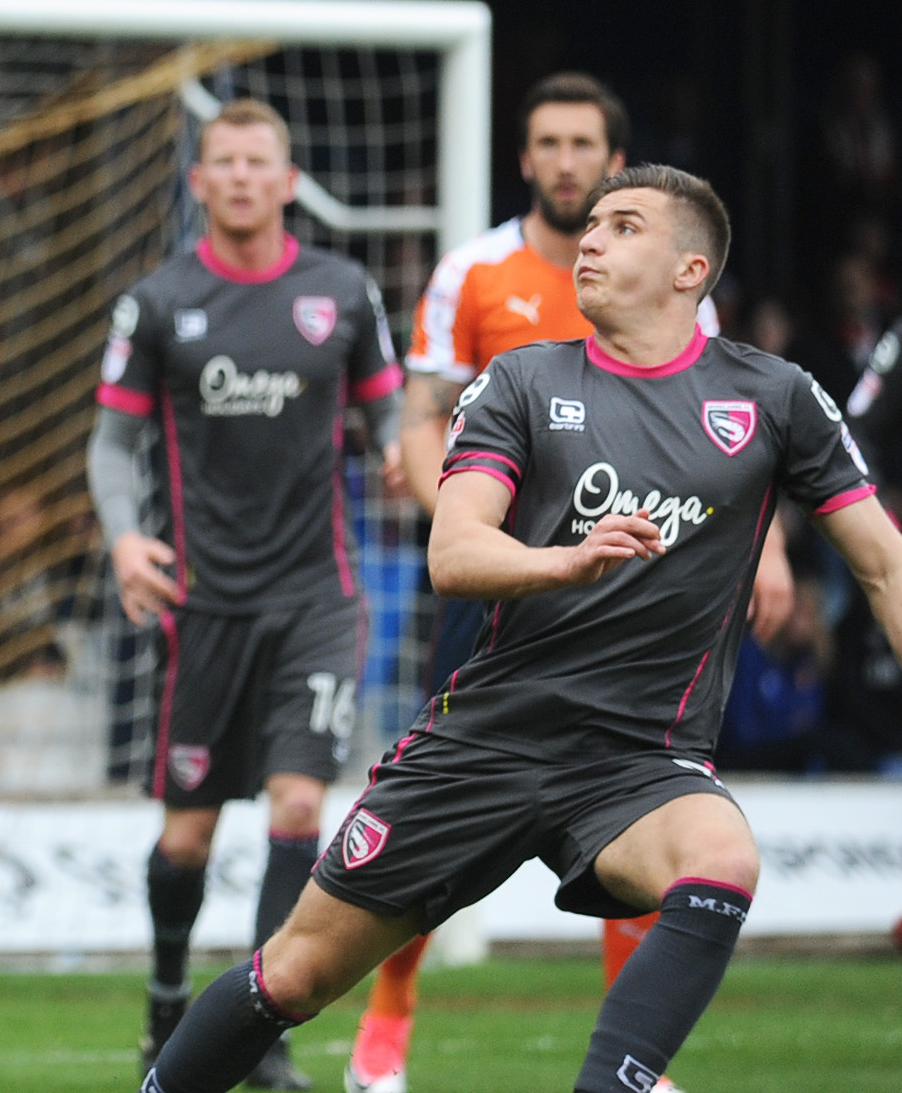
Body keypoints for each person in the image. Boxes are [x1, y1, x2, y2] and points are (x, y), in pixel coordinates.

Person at [142, 165, 902, 1093]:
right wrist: (565, 561)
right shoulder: (525, 380)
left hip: (638, 759)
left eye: (624, 227)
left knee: (721, 855)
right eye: (590, 226)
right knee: (293, 974)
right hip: (485, 740)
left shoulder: (777, 398)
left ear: (689, 269)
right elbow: (454, 552)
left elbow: (883, 563)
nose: (589, 240)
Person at [351, 75, 781, 1093]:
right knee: (438, 804)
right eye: (545, 141)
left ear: (610, 157)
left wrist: (758, 550)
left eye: (581, 142)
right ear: (523, 157)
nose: (562, 159)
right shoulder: (474, 271)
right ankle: (388, 1016)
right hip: (500, 588)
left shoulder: (669, 282)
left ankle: (631, 1054)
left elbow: (728, 433)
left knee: (640, 793)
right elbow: (421, 416)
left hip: (636, 591)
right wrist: (462, 518)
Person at [91, 99, 403, 1090]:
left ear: (285, 179)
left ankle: (262, 1025)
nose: (236, 176)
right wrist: (123, 534)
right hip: (202, 604)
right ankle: (168, 998)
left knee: (300, 798)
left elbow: (389, 418)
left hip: (317, 595)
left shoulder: (343, 293)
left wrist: (404, 457)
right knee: (186, 832)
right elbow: (111, 441)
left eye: (254, 161)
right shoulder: (157, 300)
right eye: (219, 160)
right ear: (199, 181)